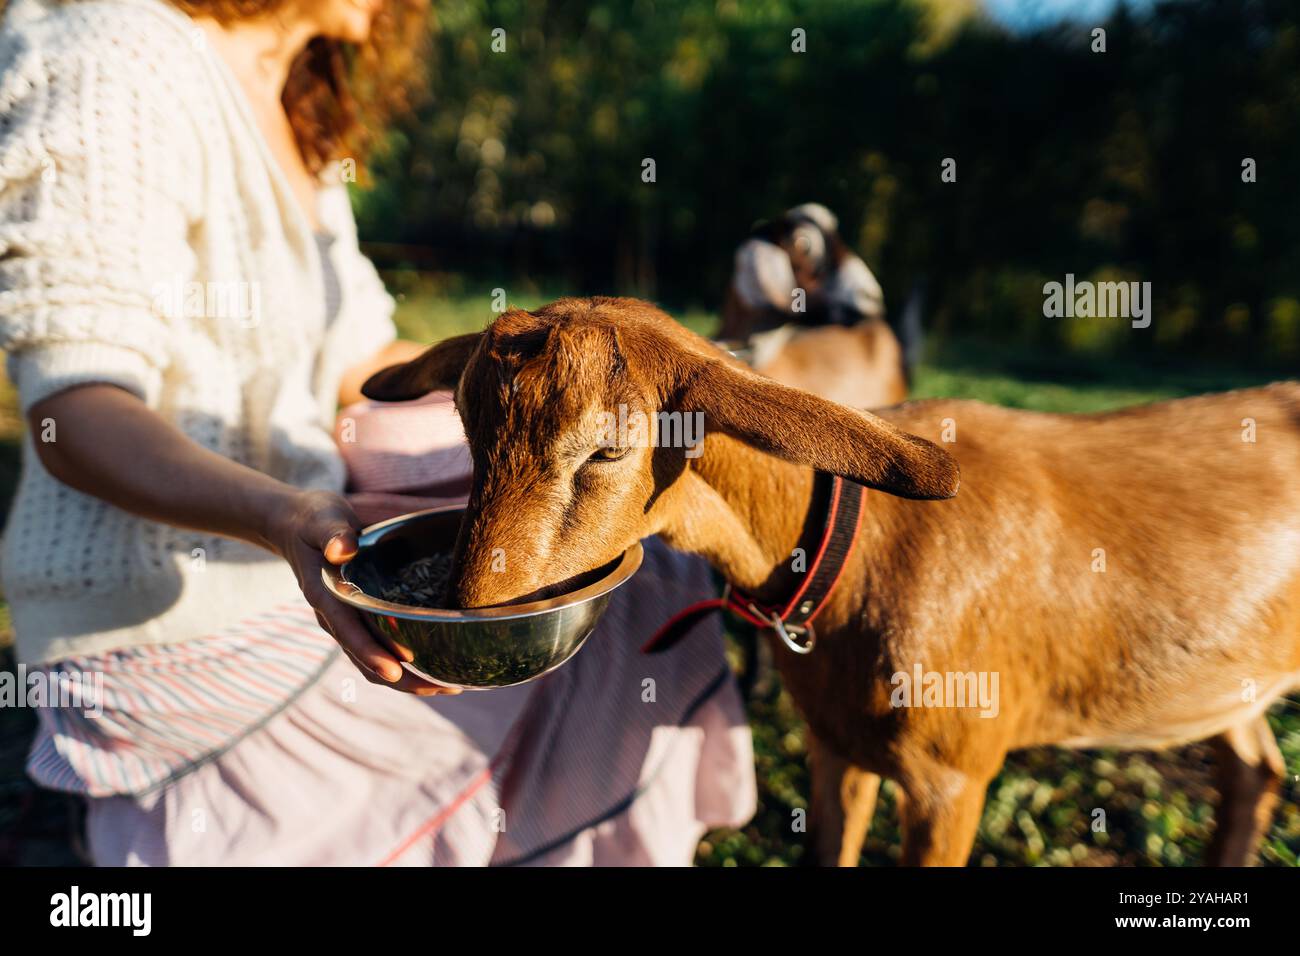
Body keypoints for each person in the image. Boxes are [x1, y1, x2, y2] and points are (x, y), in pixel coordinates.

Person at [0, 0, 755, 865]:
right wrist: (286, 518)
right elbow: (74, 413)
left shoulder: (290, 104)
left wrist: (551, 369)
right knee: (617, 595)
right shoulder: (110, 48)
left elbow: (362, 358)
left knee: (631, 547)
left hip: (296, 519)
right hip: (173, 611)